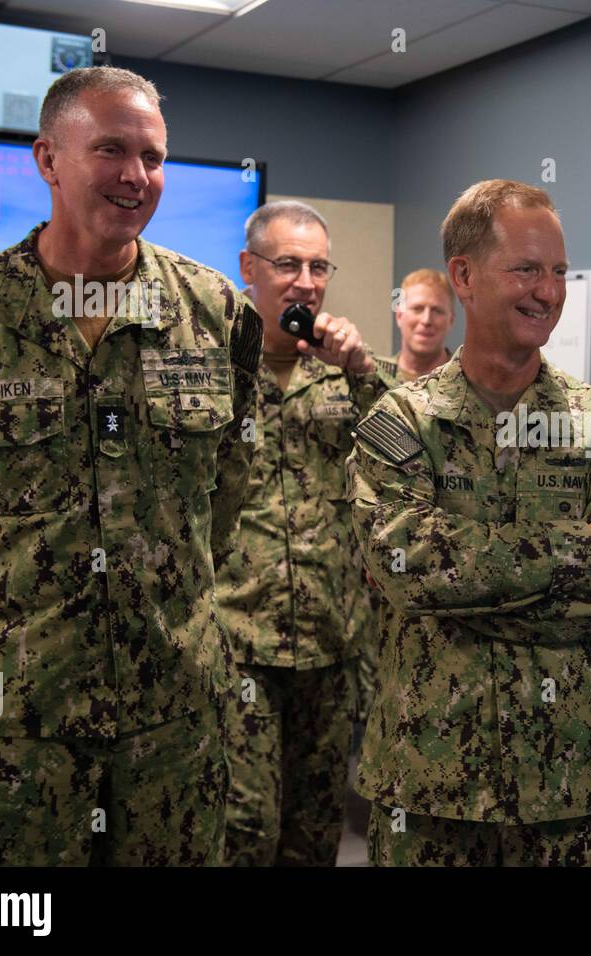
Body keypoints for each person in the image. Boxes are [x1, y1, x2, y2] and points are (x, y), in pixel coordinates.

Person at [0, 66, 261, 865]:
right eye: (110, 150)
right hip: (13, 729)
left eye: (153, 156)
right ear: (47, 159)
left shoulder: (217, 316)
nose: (136, 176)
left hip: (173, 722)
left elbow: (230, 498)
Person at [347, 179, 591, 866]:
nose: (546, 291)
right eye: (525, 269)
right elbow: (410, 572)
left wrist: (466, 598)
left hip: (576, 789)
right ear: (464, 275)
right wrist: (583, 547)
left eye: (557, 272)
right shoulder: (399, 422)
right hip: (431, 789)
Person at [217, 200, 385, 866]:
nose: (307, 282)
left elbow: (410, 460)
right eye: (289, 264)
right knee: (243, 830)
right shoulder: (211, 369)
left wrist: (365, 374)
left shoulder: (346, 376)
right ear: (249, 269)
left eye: (319, 267)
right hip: (240, 643)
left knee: (314, 835)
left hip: (331, 642)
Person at [348, 268, 456, 727]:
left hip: (449, 556)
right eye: (417, 308)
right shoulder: (374, 380)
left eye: (437, 311)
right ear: (399, 313)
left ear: (451, 319)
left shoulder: (465, 384)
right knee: (380, 687)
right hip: (379, 563)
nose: (426, 319)